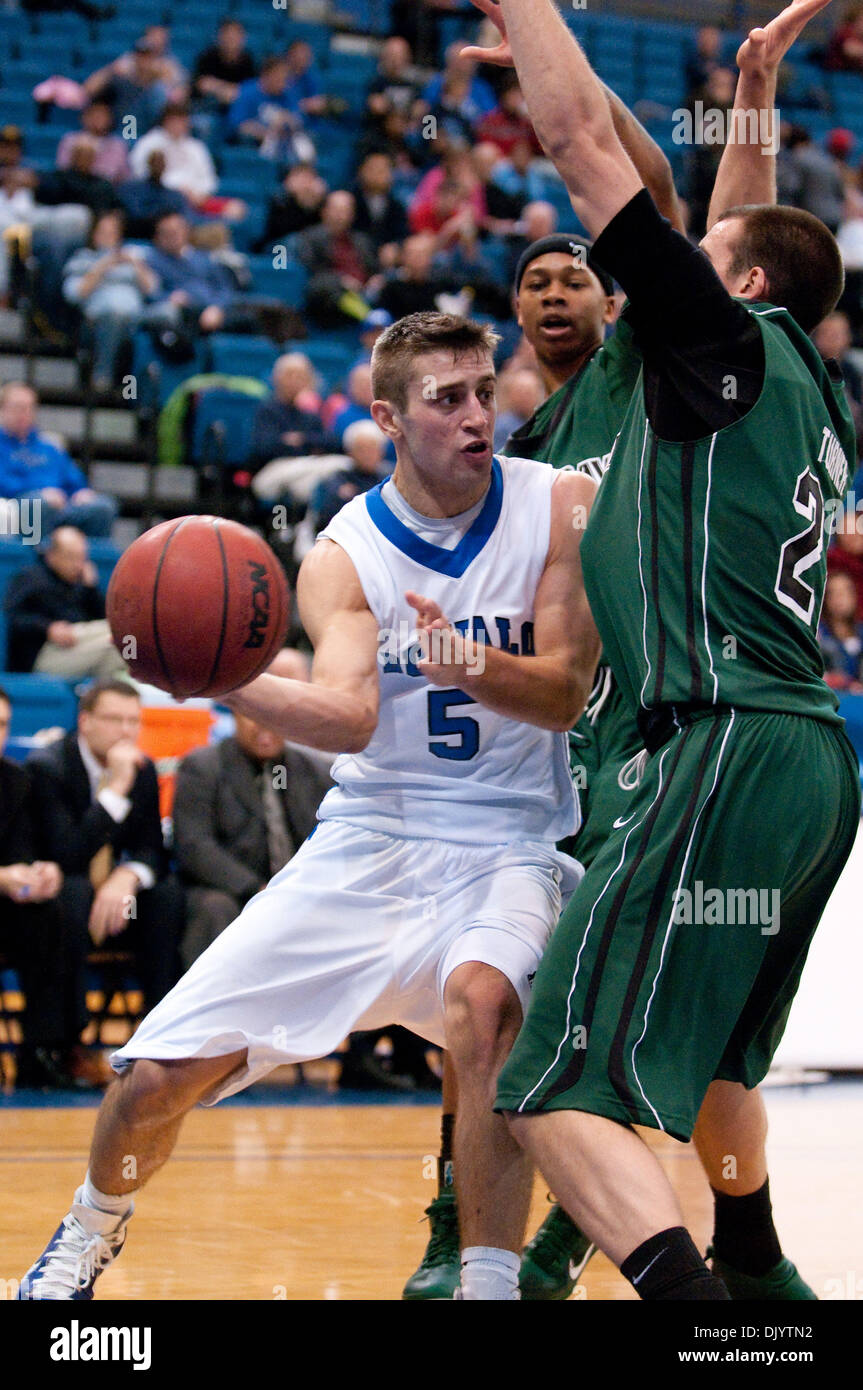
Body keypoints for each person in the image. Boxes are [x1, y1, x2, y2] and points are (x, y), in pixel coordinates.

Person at [18, 311, 600, 1300]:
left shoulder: (560, 505)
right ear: (384, 416)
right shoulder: (342, 551)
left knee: (485, 1004)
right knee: (149, 1079)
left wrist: (469, 661)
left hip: (508, 843)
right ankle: (85, 1232)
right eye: (444, 399)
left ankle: (488, 1283)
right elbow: (343, 716)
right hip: (369, 844)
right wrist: (225, 678)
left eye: (481, 390)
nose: (475, 415)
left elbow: (561, 690)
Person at [472, 0, 860, 1303]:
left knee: (545, 1083)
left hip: (714, 737)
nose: (680, 254)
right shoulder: (798, 380)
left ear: (734, 285)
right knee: (708, 1066)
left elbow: (585, 136)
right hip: (807, 757)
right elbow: (735, 227)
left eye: (707, 251)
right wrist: (748, 89)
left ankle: (684, 1308)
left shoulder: (716, 344)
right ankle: (755, 1275)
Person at [26, 680, 184, 1053]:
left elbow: (152, 849)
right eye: (115, 719)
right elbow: (67, 855)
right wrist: (117, 789)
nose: (126, 731)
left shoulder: (143, 771)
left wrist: (127, 876)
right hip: (64, 904)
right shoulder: (48, 768)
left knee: (166, 896)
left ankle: (159, 1033)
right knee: (74, 891)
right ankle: (67, 1045)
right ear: (85, 722)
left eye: (134, 721)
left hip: (116, 908)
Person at [173, 711, 330, 969]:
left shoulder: (315, 771)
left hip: (299, 889)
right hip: (230, 889)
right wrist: (257, 889)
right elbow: (195, 847)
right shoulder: (204, 767)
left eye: (274, 717)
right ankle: (216, 1003)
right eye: (253, 717)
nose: (264, 727)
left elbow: (327, 839)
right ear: (235, 715)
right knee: (214, 908)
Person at [0, 685, 73, 1091]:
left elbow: (26, 849)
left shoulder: (15, 780)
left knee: (48, 915)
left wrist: (42, 873)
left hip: (7, 904)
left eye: (4, 725)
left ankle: (40, 1054)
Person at [3, 526, 127, 680]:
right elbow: (13, 617)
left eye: (81, 558)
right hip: (41, 655)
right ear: (52, 555)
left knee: (121, 636)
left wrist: (91, 589)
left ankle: (103, 694)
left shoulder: (81, 584)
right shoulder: (31, 578)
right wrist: (48, 628)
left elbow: (102, 616)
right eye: (70, 557)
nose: (77, 564)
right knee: (116, 639)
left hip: (79, 644)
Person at [0, 383, 117, 538]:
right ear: (2, 410)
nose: (25, 413)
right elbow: (5, 483)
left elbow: (73, 478)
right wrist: (41, 493)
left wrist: (80, 492)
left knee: (103, 507)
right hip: (20, 505)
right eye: (18, 407)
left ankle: (91, 560)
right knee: (38, 505)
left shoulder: (49, 447)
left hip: (61, 506)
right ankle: (40, 557)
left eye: (30, 408)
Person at [63, 210, 159, 393]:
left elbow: (153, 290)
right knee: (115, 314)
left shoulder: (134, 259)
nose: (108, 237)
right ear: (93, 235)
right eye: (103, 232)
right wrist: (102, 266)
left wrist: (135, 264)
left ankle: (153, 390)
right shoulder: (83, 259)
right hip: (100, 320)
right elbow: (74, 294)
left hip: (138, 317)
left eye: (113, 233)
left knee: (169, 313)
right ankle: (104, 376)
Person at [250, 353, 334, 472]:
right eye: (289, 375)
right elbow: (264, 447)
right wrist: (307, 444)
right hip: (274, 470)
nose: (294, 381)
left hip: (309, 466)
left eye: (301, 376)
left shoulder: (311, 409)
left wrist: (301, 439)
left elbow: (329, 442)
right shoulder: (267, 409)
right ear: (276, 378)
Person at [307, 420, 388, 532]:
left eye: (372, 449)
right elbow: (324, 519)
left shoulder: (389, 480)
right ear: (350, 452)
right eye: (361, 449)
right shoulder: (335, 481)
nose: (367, 455)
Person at [56, 102, 130, 186]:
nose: (97, 119)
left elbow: (112, 174)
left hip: (103, 189)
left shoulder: (117, 145)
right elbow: (62, 167)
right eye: (93, 115)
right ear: (84, 117)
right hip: (72, 185)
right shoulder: (70, 140)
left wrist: (89, 165)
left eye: (102, 116)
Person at [193, 20, 257, 111]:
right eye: (227, 35)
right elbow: (202, 84)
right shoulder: (207, 57)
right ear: (219, 37)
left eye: (235, 36)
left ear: (242, 38)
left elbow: (251, 90)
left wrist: (218, 86)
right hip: (209, 106)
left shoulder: (249, 61)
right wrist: (226, 90)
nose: (230, 39)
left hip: (238, 109)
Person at [818, 569, 863, 687]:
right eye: (834, 593)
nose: (840, 599)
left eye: (845, 592)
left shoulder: (861, 633)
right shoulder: (818, 635)